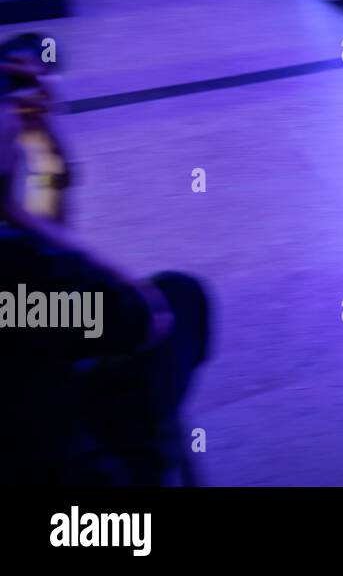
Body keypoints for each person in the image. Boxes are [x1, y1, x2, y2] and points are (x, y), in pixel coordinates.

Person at [0, 46, 212, 484]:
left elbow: (46, 285)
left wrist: (48, 167)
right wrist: (15, 202)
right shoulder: (21, 270)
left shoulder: (27, 271)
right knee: (180, 296)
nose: (14, 109)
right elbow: (144, 316)